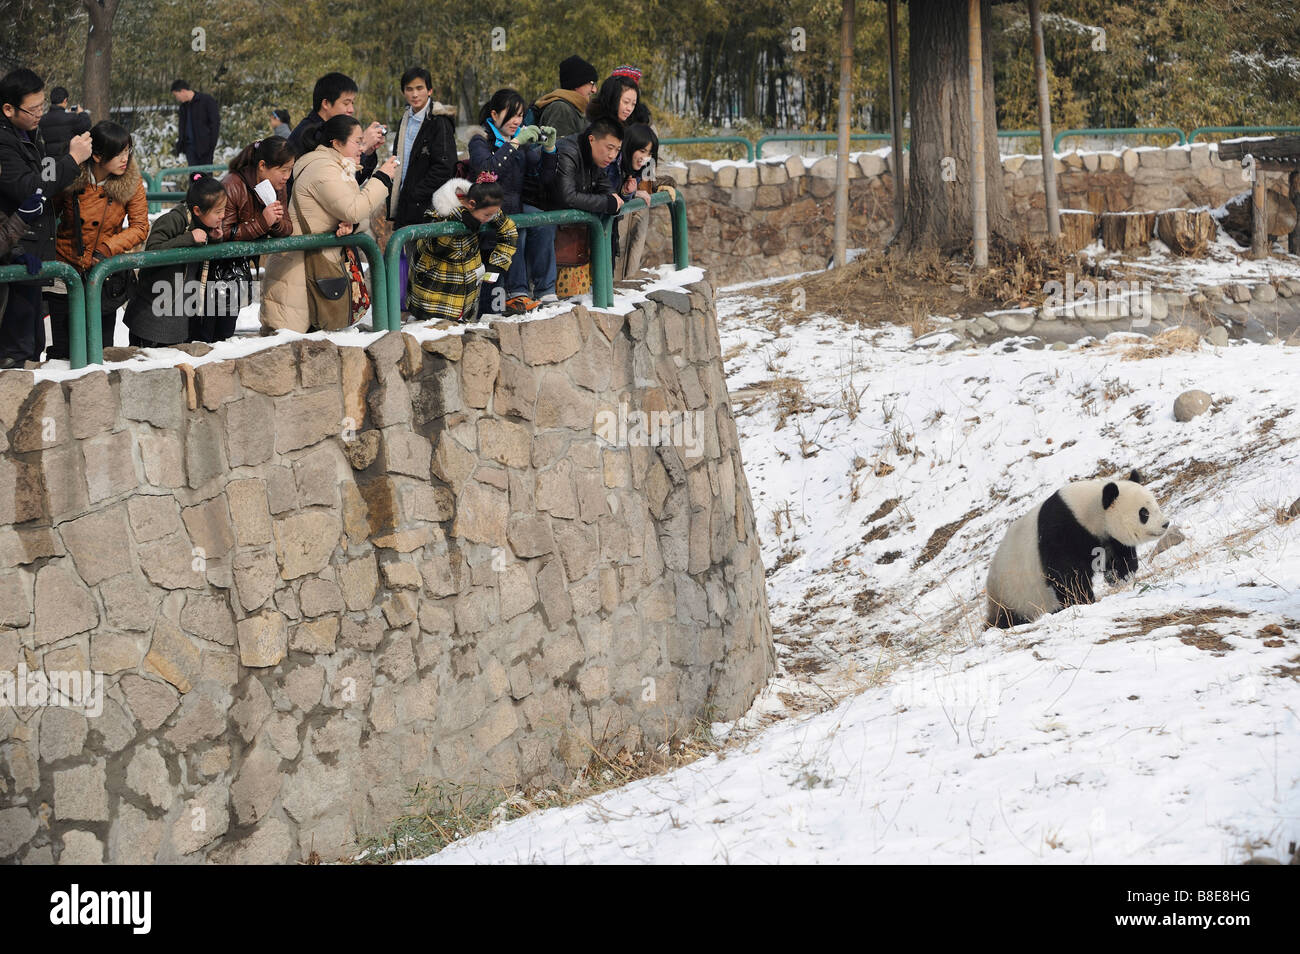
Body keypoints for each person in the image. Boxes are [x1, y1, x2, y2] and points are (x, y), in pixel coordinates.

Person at [260, 114, 397, 333]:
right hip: (296, 279)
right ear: (336, 143)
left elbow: (352, 212)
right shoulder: (322, 169)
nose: (362, 148)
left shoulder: (334, 167)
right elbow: (354, 208)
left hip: (312, 273)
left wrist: (351, 225)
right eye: (357, 141)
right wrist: (382, 178)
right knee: (288, 348)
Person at [0, 68, 92, 367]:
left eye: (42, 106)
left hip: (29, 250)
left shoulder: (27, 132)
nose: (40, 113)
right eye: (33, 108)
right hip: (13, 250)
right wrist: (72, 160)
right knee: (17, 351)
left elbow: (42, 177)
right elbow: (30, 188)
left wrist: (65, 161)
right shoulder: (4, 142)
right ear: (8, 108)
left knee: (34, 344)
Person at [48, 121, 148, 360]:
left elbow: (140, 227)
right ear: (97, 156)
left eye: (128, 151)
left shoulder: (130, 181)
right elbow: (48, 212)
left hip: (104, 272)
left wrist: (107, 248)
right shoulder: (70, 176)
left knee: (100, 349)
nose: (125, 159)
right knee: (63, 350)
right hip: (66, 267)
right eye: (119, 153)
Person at [468, 89, 558, 315]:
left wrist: (549, 149)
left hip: (514, 207)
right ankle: (517, 293)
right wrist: (516, 143)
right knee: (515, 228)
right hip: (485, 211)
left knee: (543, 221)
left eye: (520, 115)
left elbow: (544, 178)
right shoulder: (480, 139)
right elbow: (487, 171)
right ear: (495, 114)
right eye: (512, 114)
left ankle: (545, 289)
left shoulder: (518, 140)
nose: (517, 121)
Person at [123, 174, 228, 348]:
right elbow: (153, 251)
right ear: (197, 211)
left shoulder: (202, 224)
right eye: (218, 212)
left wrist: (214, 239)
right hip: (152, 312)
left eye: (224, 210)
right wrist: (189, 238)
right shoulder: (174, 220)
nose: (223, 216)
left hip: (180, 310)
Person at [388, 66, 458, 309]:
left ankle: (428, 308)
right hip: (407, 203)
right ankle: (409, 307)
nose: (414, 94)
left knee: (429, 260)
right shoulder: (406, 119)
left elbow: (445, 166)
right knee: (409, 257)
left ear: (430, 90)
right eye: (409, 89)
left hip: (428, 204)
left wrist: (417, 191)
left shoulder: (439, 122)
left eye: (419, 88)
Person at [408, 173, 516, 324]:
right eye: (487, 215)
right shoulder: (438, 211)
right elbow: (435, 246)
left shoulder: (485, 206)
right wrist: (457, 217)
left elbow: (509, 230)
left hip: (466, 296)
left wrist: (498, 264)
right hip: (434, 293)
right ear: (471, 204)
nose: (489, 219)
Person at [550, 117, 624, 298]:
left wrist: (613, 200)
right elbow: (567, 197)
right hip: (542, 219)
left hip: (571, 235)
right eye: (609, 148)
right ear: (592, 139)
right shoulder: (568, 151)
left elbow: (609, 191)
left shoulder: (595, 159)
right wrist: (607, 203)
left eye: (617, 150)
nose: (612, 155)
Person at [286, 72, 383, 188]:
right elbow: (339, 183)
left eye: (353, 103)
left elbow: (354, 180)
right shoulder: (309, 135)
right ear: (326, 103)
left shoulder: (330, 129)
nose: (351, 109)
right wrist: (363, 146)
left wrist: (368, 151)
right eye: (346, 103)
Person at [613, 123, 677, 281]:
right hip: (613, 220)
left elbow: (653, 167)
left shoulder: (642, 165)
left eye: (648, 153)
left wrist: (662, 183)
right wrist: (629, 191)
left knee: (632, 253)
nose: (645, 157)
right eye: (642, 151)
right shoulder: (613, 162)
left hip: (637, 206)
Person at [221, 137, 294, 242]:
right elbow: (223, 233)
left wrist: (277, 222)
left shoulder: (279, 185)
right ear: (262, 165)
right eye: (283, 170)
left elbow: (288, 227)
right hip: (230, 258)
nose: (287, 176)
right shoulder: (232, 186)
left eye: (290, 169)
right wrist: (263, 222)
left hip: (253, 257)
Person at [532, 56, 598, 141]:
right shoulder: (561, 108)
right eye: (591, 83)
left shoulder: (577, 109)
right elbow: (559, 149)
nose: (594, 90)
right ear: (576, 83)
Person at [171, 80, 221, 165]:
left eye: (176, 95)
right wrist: (180, 146)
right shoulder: (183, 107)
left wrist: (211, 145)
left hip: (205, 148)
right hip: (190, 149)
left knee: (205, 175)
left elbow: (215, 123)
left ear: (183, 91)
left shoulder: (206, 101)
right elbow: (182, 128)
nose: (177, 98)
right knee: (195, 176)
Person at [39, 86, 91, 157]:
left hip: (50, 160)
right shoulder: (71, 118)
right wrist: (82, 113)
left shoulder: (43, 119)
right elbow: (86, 125)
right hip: (68, 158)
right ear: (65, 100)